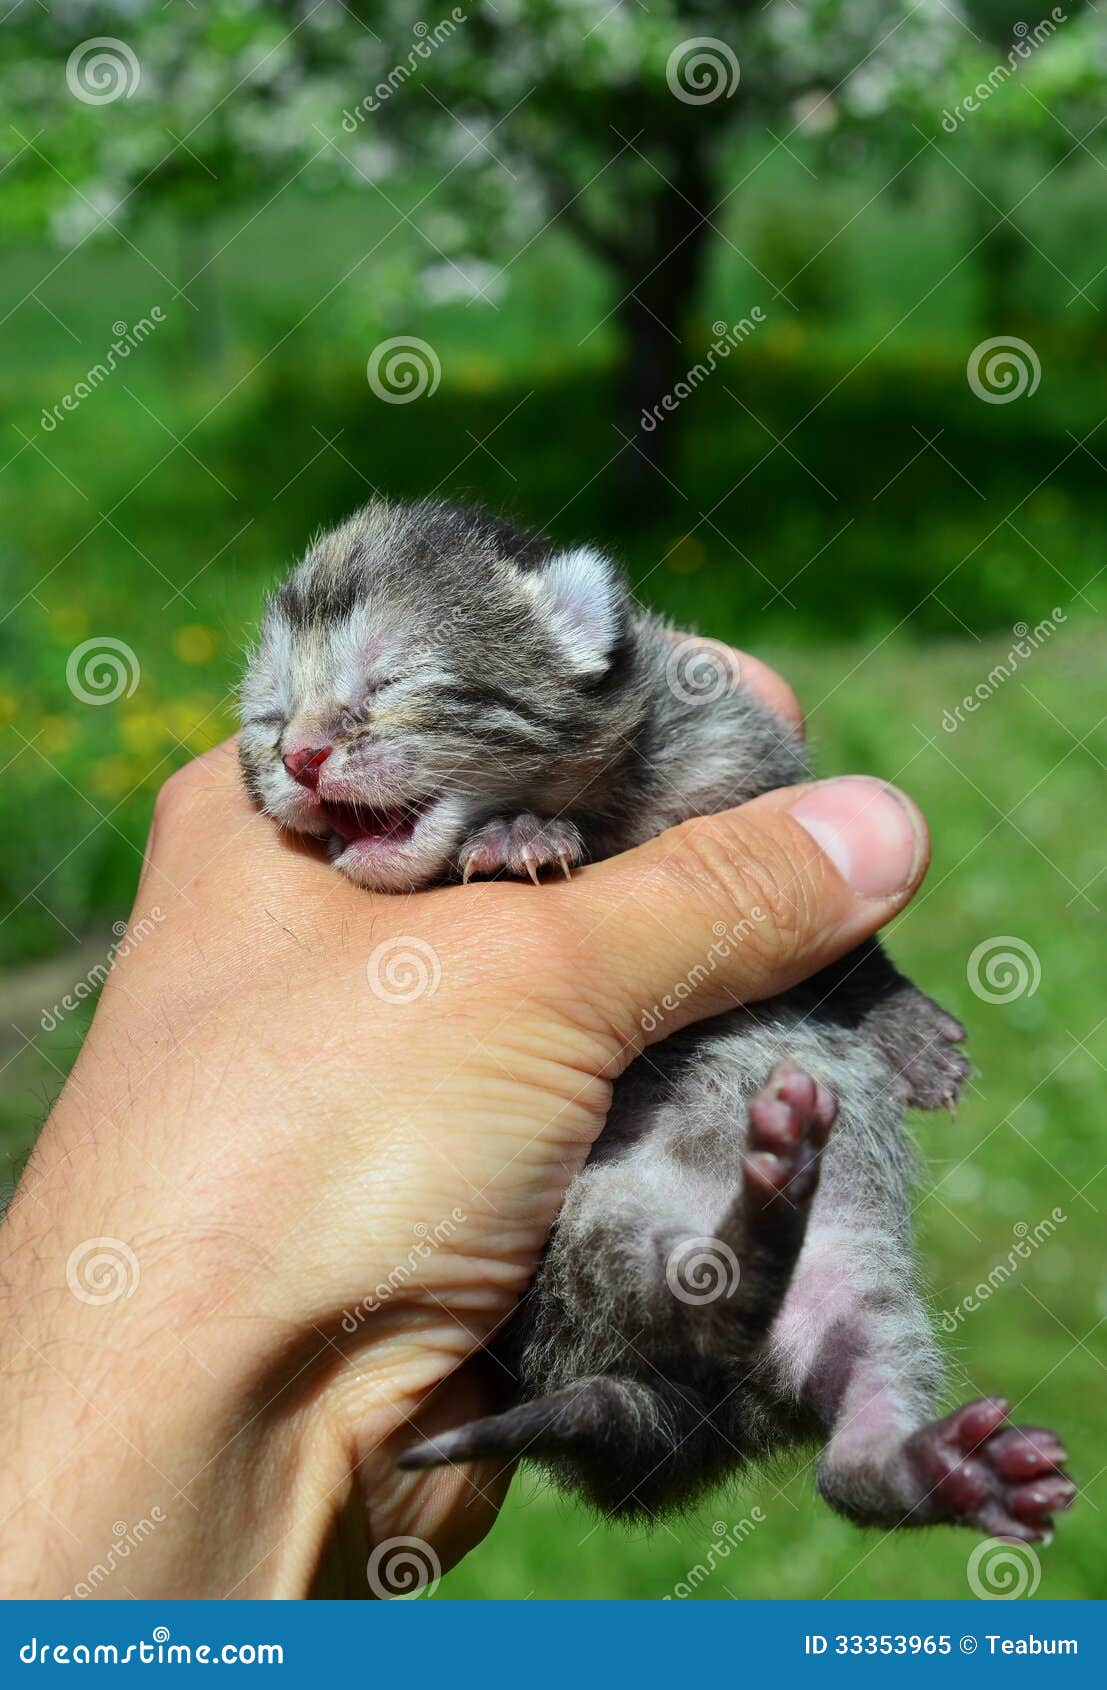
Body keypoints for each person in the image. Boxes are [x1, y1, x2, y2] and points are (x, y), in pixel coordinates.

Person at [0, 651, 930, 1599]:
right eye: (268, 720)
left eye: (384, 690)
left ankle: (873, 1418)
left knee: (829, 1228)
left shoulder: (659, 735)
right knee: (697, 1276)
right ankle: (854, 1404)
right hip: (622, 1277)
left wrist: (872, 987)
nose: (300, 752)